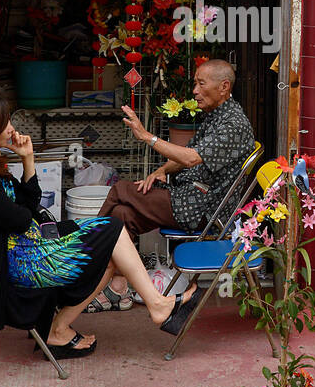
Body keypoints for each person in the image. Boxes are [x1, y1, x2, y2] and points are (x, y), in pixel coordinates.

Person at [0, 89, 202, 354]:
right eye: (3, 123)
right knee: (112, 231)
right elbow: (21, 218)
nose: (11, 128)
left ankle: (62, 328)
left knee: (112, 237)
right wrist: (24, 208)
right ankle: (154, 306)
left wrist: (27, 159)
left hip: (30, 242)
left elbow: (28, 206)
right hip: (24, 261)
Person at [98, 59, 255, 299]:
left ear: (224, 86)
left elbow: (192, 158)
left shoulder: (234, 124)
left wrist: (147, 137)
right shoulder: (217, 115)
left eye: (201, 84)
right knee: (121, 216)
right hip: (191, 196)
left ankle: (83, 257)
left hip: (203, 209)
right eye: (195, 84)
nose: (195, 91)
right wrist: (163, 170)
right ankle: (117, 288)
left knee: (121, 190)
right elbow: (189, 154)